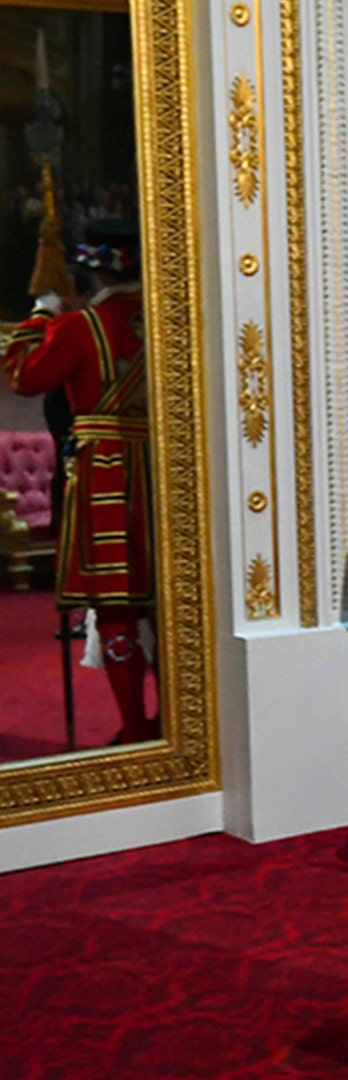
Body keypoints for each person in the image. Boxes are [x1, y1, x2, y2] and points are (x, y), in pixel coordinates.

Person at [2, 221, 155, 746]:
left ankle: (136, 727)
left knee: (116, 608)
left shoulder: (78, 327)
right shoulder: (167, 325)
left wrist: (42, 312)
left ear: (92, 271)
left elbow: (23, 374)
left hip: (108, 478)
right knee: (173, 604)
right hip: (166, 478)